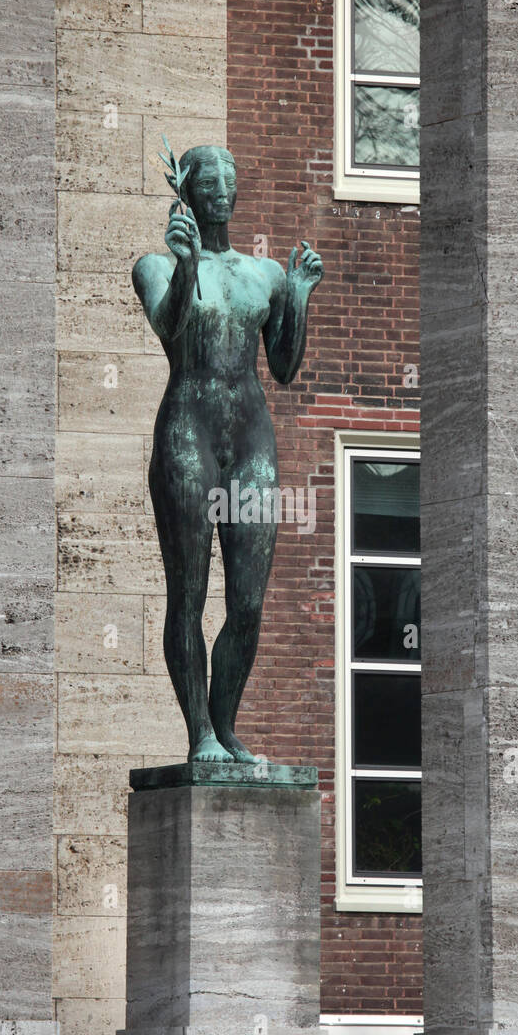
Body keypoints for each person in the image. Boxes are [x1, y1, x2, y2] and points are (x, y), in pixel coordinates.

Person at [132, 146, 324, 762]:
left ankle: (225, 725)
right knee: (188, 593)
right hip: (187, 425)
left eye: (229, 178)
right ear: (185, 187)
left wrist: (297, 296)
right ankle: (200, 737)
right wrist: (186, 265)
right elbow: (171, 327)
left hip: (249, 434)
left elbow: (286, 367)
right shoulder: (155, 266)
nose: (221, 187)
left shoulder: (262, 273)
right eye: (208, 178)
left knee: (246, 603)